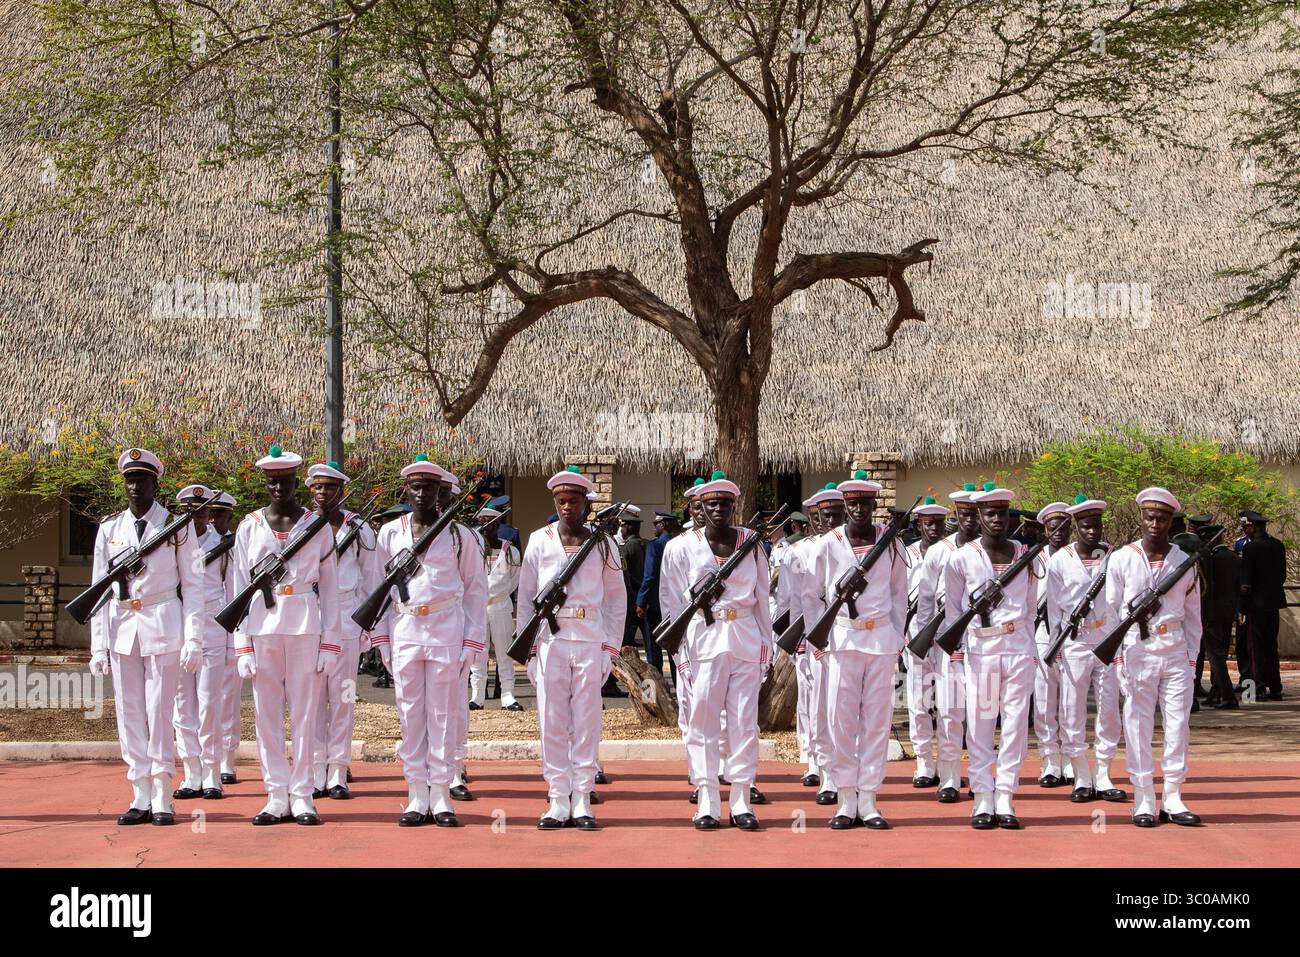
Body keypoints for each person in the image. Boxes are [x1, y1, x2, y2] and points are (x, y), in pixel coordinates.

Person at [89, 448, 207, 826]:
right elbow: (98, 590)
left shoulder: (177, 527)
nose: (135, 486)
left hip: (163, 623)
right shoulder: (109, 529)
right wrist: (98, 645)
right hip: (123, 628)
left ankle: (162, 793)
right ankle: (139, 791)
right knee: (129, 713)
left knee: (160, 713)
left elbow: (194, 587)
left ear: (156, 484)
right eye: (130, 479)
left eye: (142, 479)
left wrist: (194, 638)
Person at [230, 445, 343, 826]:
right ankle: (276, 794)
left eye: (286, 481)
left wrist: (330, 642)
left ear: (298, 483)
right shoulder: (249, 525)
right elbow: (238, 588)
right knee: (266, 714)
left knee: (307, 713)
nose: (279, 487)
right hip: (262, 627)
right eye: (272, 481)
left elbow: (329, 588)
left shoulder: (317, 526)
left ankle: (303, 794)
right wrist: (241, 643)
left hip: (305, 625)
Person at [371, 455, 486, 826]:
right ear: (406, 490)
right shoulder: (389, 533)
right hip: (404, 628)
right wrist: (381, 638)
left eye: (430, 487)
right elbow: (378, 589)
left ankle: (440, 794)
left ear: (440, 491)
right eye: (415, 486)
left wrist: (472, 642)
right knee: (410, 714)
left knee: (443, 714)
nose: (422, 493)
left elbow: (475, 591)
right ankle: (415, 793)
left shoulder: (459, 535)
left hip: (445, 628)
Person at [660, 470, 771, 830]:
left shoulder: (751, 544)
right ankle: (707, 797)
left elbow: (764, 601)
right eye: (712, 504)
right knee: (703, 722)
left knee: (743, 722)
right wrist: (680, 655)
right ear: (700, 508)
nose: (719, 509)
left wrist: (766, 647)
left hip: (744, 635)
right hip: (702, 639)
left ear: (734, 506)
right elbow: (671, 605)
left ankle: (740, 798)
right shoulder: (679, 547)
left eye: (725, 503)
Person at [519, 467, 626, 829]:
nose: (568, 507)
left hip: (589, 638)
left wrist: (610, 649)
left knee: (587, 722)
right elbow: (525, 599)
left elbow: (616, 600)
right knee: (551, 720)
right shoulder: (538, 540)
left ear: (585, 504)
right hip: (551, 640)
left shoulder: (604, 543)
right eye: (562, 501)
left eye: (574, 501)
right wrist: (531, 651)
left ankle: (581, 798)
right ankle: (556, 797)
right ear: (555, 502)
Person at [804, 471, 909, 829]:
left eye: (866, 502)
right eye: (853, 503)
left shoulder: (891, 543)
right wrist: (817, 641)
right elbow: (810, 596)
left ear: (873, 503)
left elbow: (899, 594)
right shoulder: (826, 544)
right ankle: (846, 797)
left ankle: (870, 798)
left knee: (877, 721)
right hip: (842, 640)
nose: (859, 509)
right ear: (845, 505)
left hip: (879, 640)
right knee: (841, 720)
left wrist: (896, 635)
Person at [1104, 487, 1204, 826]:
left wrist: (1191, 660)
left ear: (1170, 521)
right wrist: (1118, 660)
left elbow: (1193, 616)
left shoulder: (1184, 561)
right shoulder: (1121, 559)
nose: (1155, 524)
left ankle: (1173, 795)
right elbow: (1112, 612)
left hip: (1175, 650)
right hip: (1136, 650)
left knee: (1178, 726)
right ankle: (1144, 795)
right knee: (1137, 724)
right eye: (1149, 517)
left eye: (1162, 518)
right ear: (1141, 519)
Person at [944, 483, 1038, 829]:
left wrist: (1031, 651)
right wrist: (957, 653)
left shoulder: (1026, 556)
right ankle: (983, 796)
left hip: (1017, 648)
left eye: (1002, 513)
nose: (997, 519)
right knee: (982, 725)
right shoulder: (962, 557)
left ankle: (1006, 796)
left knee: (1014, 726)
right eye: (990, 514)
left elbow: (1030, 610)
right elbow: (953, 610)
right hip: (981, 649)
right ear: (979, 518)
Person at [308, 462, 384, 800]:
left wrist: (367, 625)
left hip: (346, 618)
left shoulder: (361, 528)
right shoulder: (301, 524)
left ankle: (338, 768)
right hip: (309, 618)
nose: (324, 493)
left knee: (343, 698)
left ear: (341, 490)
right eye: (318, 487)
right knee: (310, 700)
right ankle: (313, 768)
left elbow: (371, 579)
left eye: (330, 487)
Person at [1047, 495, 1125, 803]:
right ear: (1076, 526)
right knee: (1072, 710)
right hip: (1075, 642)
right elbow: (1053, 609)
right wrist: (1056, 647)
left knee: (1108, 711)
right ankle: (1080, 774)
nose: (1093, 532)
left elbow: (1120, 602)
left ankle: (1103, 773)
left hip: (1106, 640)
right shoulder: (1059, 560)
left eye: (1097, 526)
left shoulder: (1114, 557)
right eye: (1086, 526)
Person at [915, 482, 980, 803]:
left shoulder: (991, 550)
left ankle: (982, 776)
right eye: (964, 514)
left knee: (982, 711)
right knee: (951, 710)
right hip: (948, 640)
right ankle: (950, 776)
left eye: (975, 514)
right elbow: (925, 600)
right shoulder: (940, 551)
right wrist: (925, 643)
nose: (970, 520)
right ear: (956, 515)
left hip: (984, 640)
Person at [172, 483, 228, 801]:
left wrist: (235, 641)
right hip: (179, 626)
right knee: (183, 705)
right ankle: (190, 770)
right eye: (188, 512)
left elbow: (232, 590)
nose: (195, 518)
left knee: (209, 704)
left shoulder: (224, 544)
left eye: (201, 511)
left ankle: (211, 772)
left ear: (209, 514)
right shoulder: (170, 543)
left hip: (212, 625)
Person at [902, 496, 949, 789]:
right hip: (915, 636)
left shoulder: (951, 552)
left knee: (949, 702)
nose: (934, 528)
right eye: (928, 523)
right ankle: (923, 761)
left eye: (939, 523)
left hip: (945, 636)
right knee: (918, 701)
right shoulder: (906, 555)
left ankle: (947, 762)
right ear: (919, 524)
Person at [775, 497, 822, 787]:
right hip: (806, 634)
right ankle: (813, 758)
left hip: (841, 636)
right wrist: (792, 639)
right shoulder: (797, 551)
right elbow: (788, 599)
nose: (823, 521)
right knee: (809, 700)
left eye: (831, 513)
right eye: (817, 515)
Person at [1032, 502, 1073, 788]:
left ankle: (1071, 760)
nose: (1057, 532)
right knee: (1045, 703)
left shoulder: (1079, 557)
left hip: (1072, 636)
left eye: (1063, 527)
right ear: (1045, 530)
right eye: (1052, 528)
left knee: (1071, 703)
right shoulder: (1035, 560)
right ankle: (1049, 761)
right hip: (1042, 635)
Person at [469, 504, 522, 711]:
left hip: (500, 605)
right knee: (478, 654)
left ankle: (508, 695)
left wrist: (499, 594)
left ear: (498, 525)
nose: (485, 528)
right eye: (482, 523)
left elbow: (515, 580)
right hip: (477, 608)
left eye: (490, 524)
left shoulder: (511, 551)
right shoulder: (472, 550)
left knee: (504, 652)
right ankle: (477, 696)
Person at [206, 491, 242, 786]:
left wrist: (234, 642)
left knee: (227, 700)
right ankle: (204, 765)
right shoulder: (191, 542)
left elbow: (235, 596)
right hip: (197, 630)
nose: (215, 519)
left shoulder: (233, 546)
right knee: (198, 703)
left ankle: (227, 759)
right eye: (212, 514)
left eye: (221, 515)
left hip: (225, 630)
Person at [1187, 517, 1240, 709]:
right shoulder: (1232, 557)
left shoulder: (1208, 557)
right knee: (1219, 654)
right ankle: (1218, 694)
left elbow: (1206, 588)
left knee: (1215, 656)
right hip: (1226, 612)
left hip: (1210, 614)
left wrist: (1204, 615)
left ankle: (1227, 696)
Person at [1239, 511, 1287, 701]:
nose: (1245, 531)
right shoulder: (1278, 545)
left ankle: (1256, 690)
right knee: (1271, 647)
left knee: (1254, 648)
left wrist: (1241, 608)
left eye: (1247, 527)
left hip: (1255, 605)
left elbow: (1246, 583)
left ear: (1253, 527)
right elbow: (1282, 576)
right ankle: (1275, 688)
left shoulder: (1251, 549)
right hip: (1273, 603)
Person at [637, 510, 681, 679]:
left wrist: (641, 601)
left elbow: (649, 576)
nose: (654, 528)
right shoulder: (680, 544)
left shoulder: (655, 545)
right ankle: (679, 688)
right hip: (676, 604)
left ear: (663, 525)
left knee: (653, 651)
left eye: (656, 524)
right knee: (674, 650)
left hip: (655, 605)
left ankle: (655, 693)